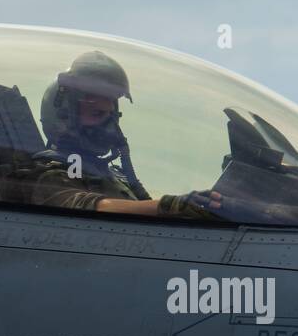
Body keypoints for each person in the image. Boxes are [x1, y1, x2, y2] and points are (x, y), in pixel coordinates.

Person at [24, 51, 223, 220]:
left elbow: (146, 207)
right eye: (97, 114)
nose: (109, 126)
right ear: (64, 117)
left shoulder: (115, 175)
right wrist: (169, 206)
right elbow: (87, 206)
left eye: (111, 116)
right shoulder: (45, 173)